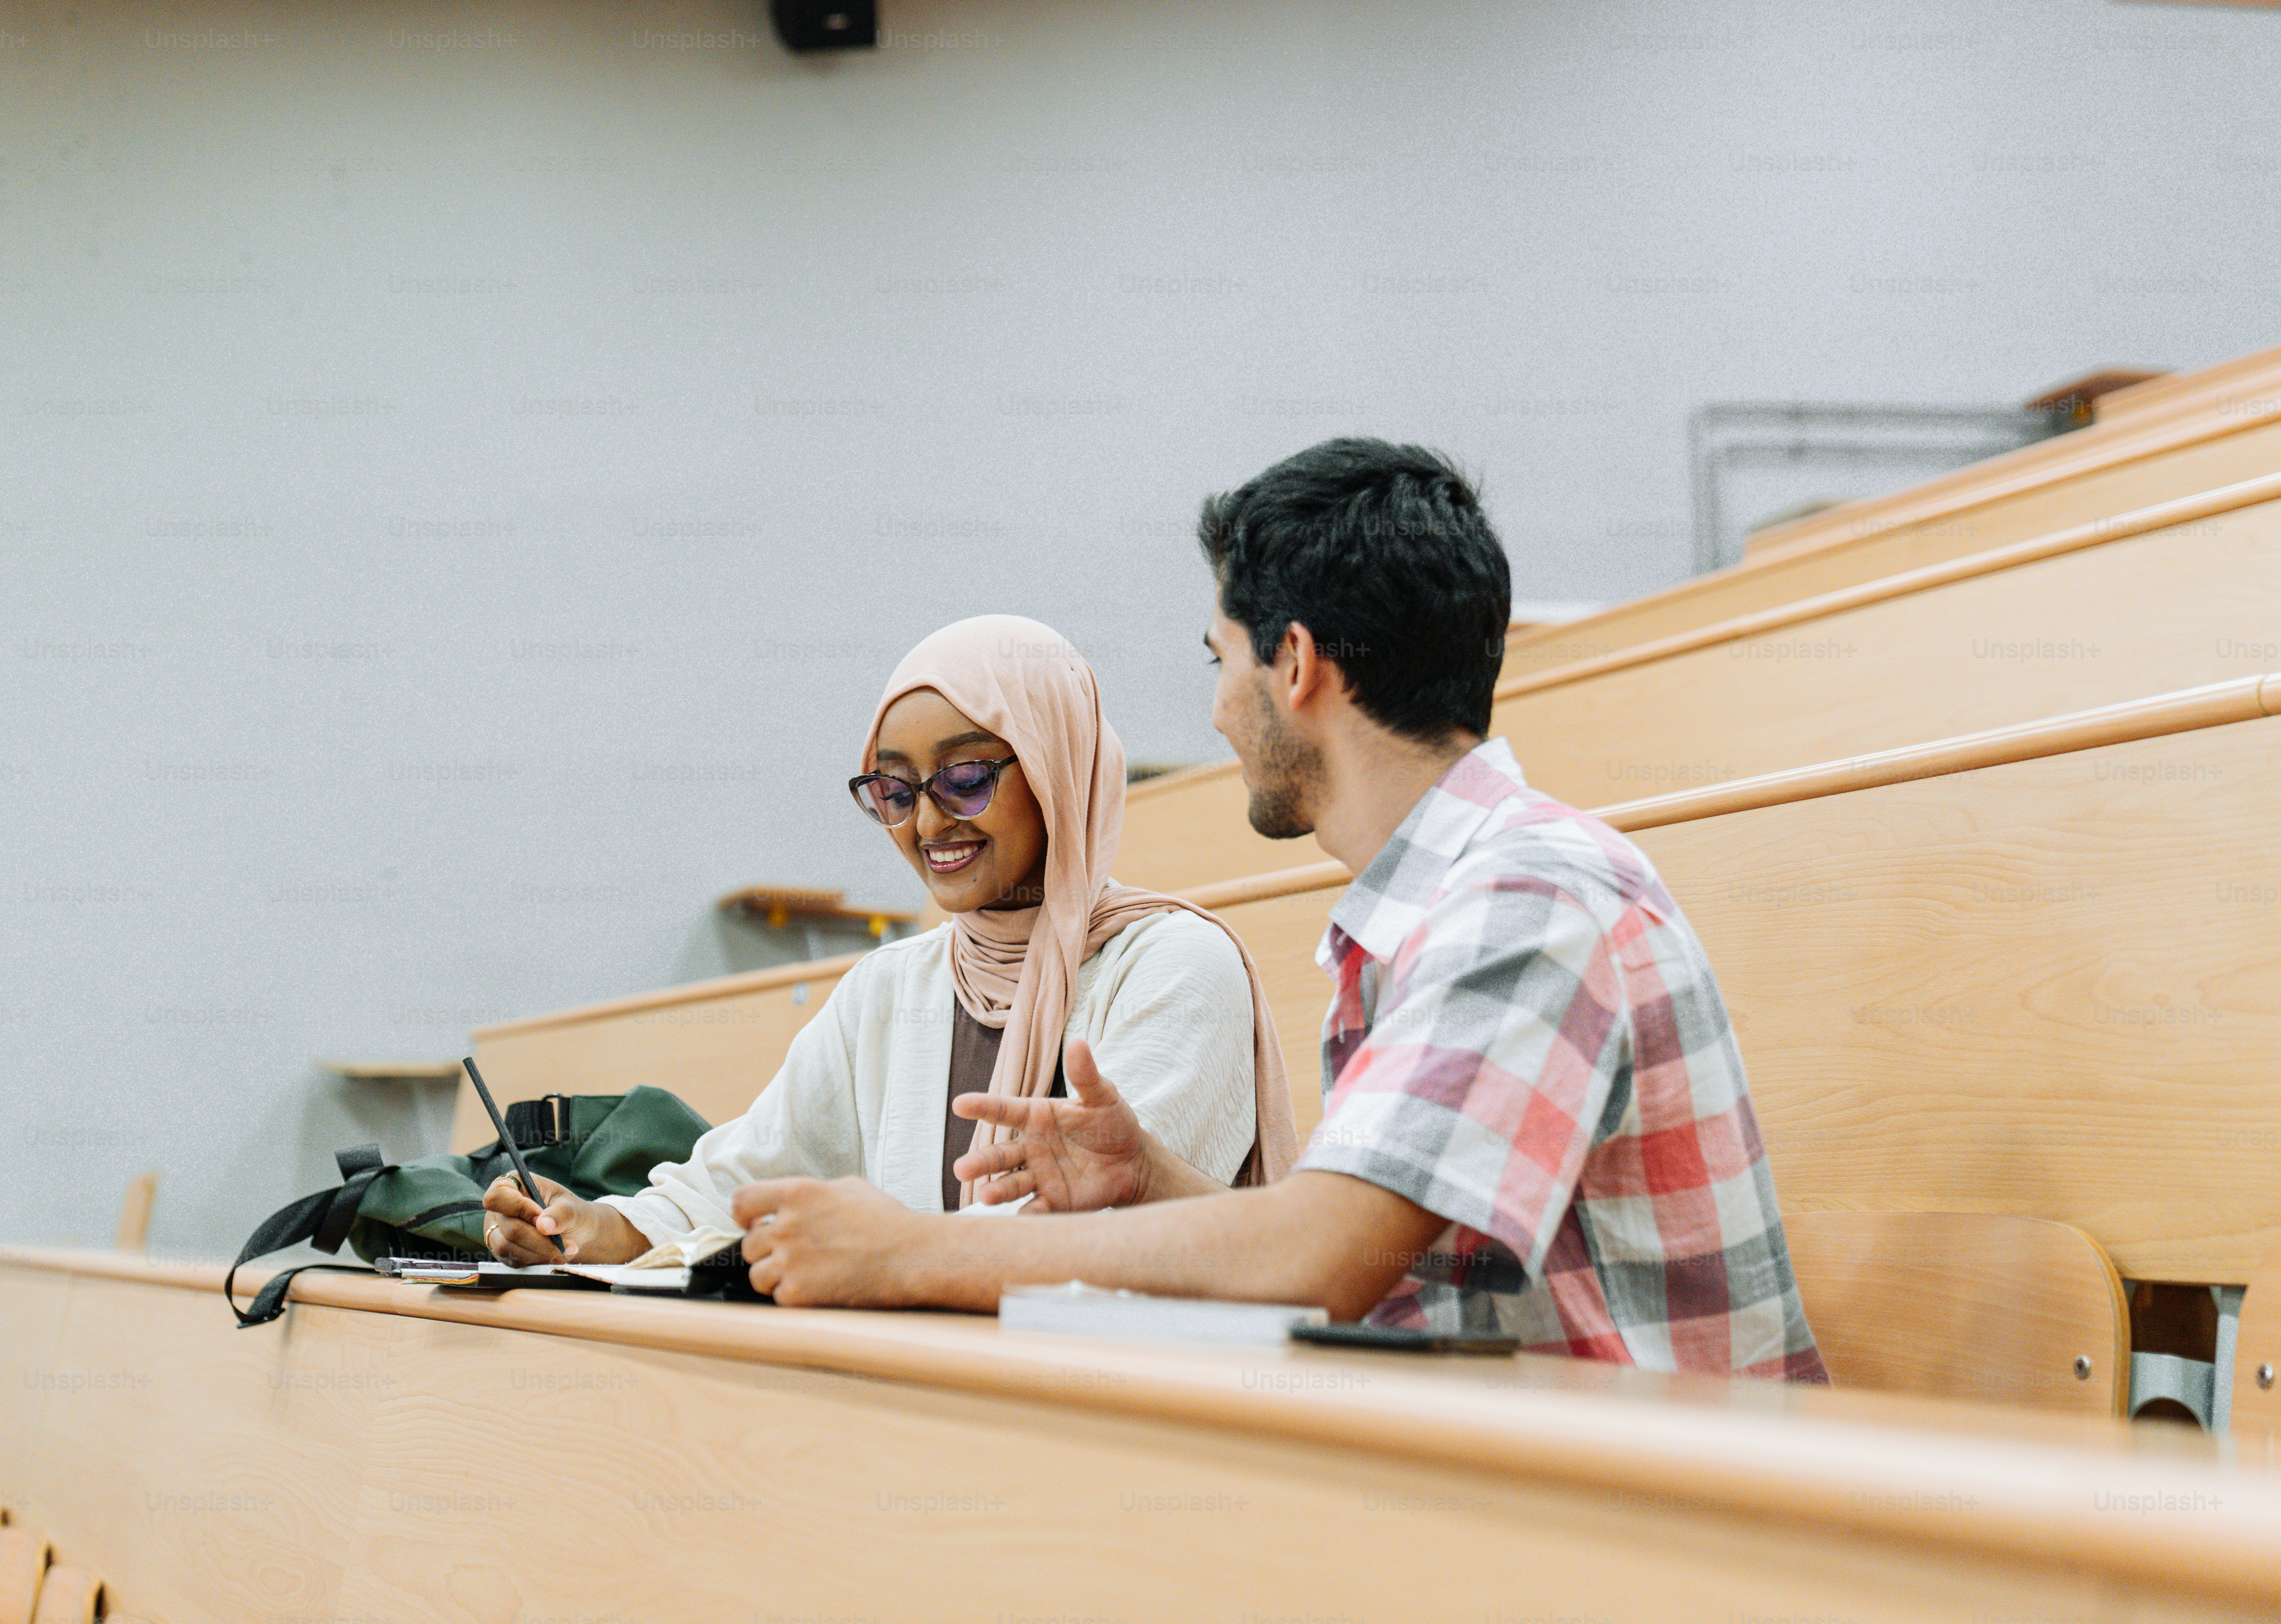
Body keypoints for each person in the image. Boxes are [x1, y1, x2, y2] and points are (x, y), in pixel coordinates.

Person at [732, 440, 1828, 1382]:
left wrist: (903, 1252)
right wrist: (1147, 1175)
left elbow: (1319, 1255)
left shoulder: (1531, 894)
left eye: (1221, 659)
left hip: (1671, 1516)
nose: (1213, 710)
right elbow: (1390, 1262)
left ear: (1294, 662)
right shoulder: (1446, 896)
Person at [482, 614, 1298, 1266]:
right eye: (894, 789)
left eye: (966, 778)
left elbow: (1113, 1251)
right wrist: (602, 1226)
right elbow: (743, 1174)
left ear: (1056, 766)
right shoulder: (889, 990)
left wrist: (889, 1254)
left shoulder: (1174, 967)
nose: (930, 821)